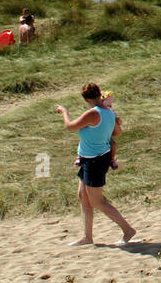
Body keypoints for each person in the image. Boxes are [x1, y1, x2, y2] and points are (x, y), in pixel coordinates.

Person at [58, 84, 136, 247]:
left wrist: (64, 112)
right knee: (83, 196)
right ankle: (87, 237)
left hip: (95, 160)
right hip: (90, 158)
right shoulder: (109, 112)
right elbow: (118, 132)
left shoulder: (94, 113)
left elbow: (70, 126)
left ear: (87, 99)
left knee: (97, 201)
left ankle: (128, 230)